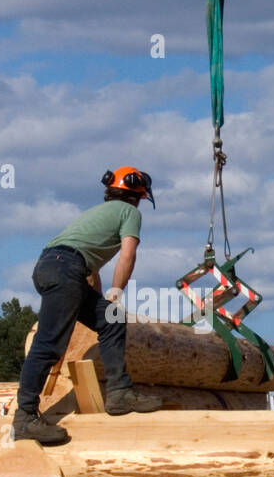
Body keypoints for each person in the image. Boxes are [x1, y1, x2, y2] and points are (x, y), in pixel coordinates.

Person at [13, 167, 164, 444]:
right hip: (65, 270)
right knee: (48, 344)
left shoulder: (95, 214)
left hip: (54, 266)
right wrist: (117, 291)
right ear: (139, 195)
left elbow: (87, 266)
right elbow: (128, 254)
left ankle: (119, 394)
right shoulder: (130, 212)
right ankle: (24, 417)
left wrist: (101, 300)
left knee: (111, 320)